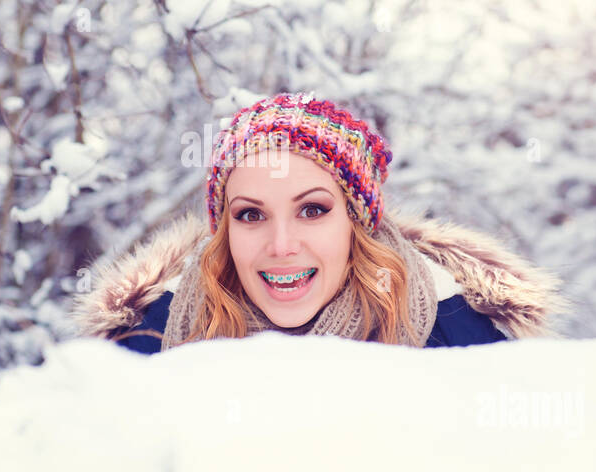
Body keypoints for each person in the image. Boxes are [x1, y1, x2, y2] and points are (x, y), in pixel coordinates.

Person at [70, 93, 566, 351]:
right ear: (225, 231)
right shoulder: (147, 344)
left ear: (358, 222)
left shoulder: (463, 337)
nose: (282, 245)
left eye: (312, 210)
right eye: (250, 214)